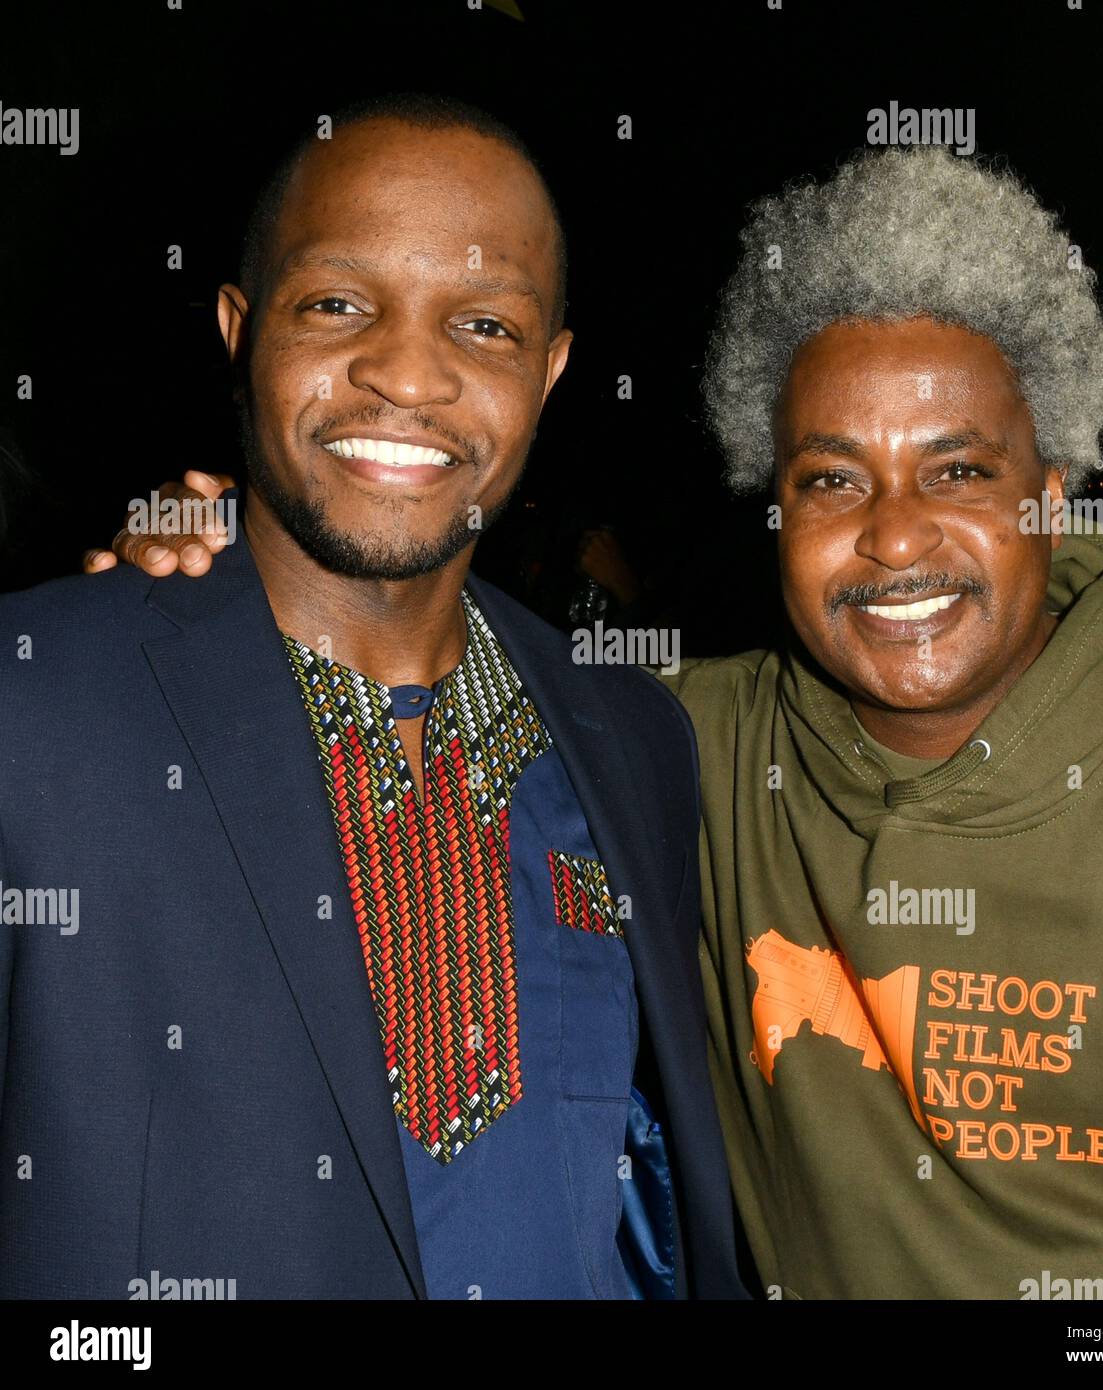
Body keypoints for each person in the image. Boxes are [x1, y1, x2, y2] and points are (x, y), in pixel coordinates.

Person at [90, 145, 1103, 1300]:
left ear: (1051, 495)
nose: (896, 539)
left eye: (958, 473)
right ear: (775, 508)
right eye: (833, 480)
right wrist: (229, 559)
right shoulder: (679, 749)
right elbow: (414, 655)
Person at [0, 94, 744, 1300]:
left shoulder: (639, 740)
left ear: (551, 370)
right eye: (339, 303)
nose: (407, 371)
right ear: (243, 329)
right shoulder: (37, 704)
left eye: (486, 323)